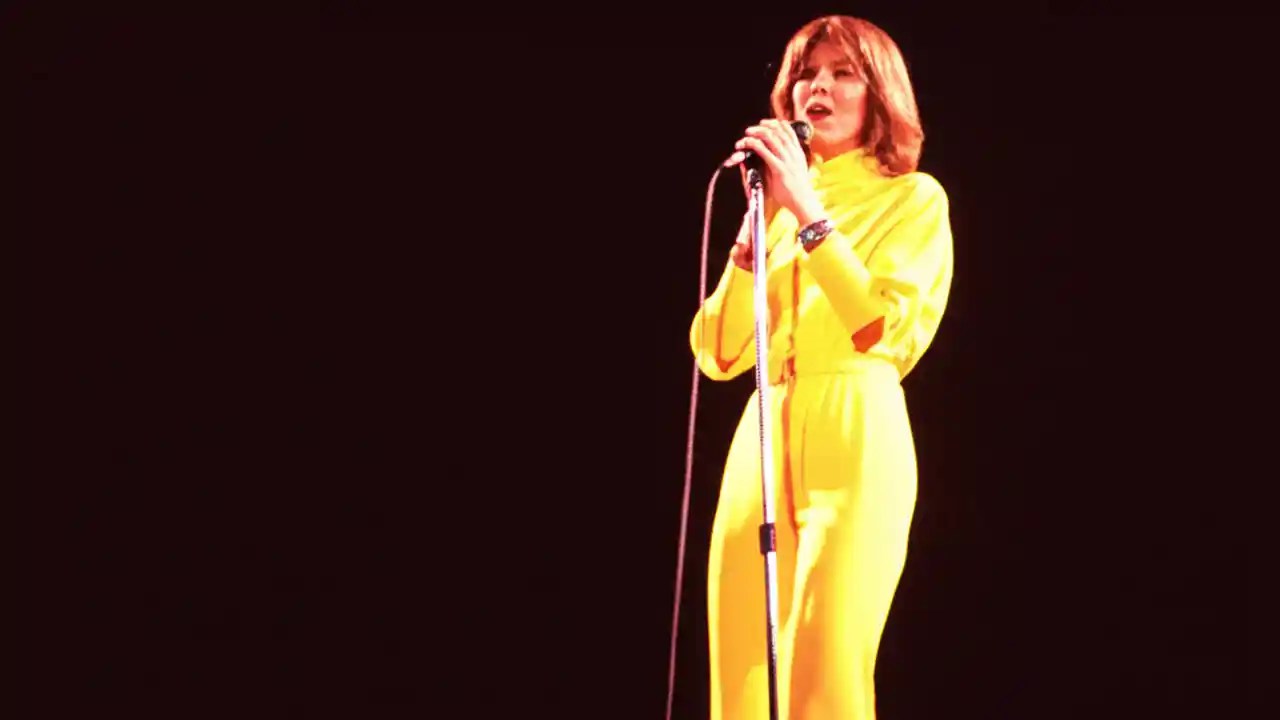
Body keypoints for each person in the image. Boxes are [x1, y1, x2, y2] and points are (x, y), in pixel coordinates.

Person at [689, 15, 954, 720]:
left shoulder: (914, 199)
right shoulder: (772, 213)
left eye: (843, 74)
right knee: (739, 677)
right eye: (807, 73)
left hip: (856, 431)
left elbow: (881, 328)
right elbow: (715, 353)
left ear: (879, 95)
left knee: (820, 670)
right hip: (763, 431)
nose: (819, 87)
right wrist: (750, 243)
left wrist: (805, 210)